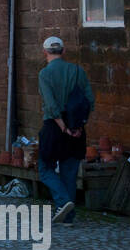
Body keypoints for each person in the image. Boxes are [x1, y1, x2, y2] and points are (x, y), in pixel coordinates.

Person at [37, 36, 94, 225]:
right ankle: (68, 217)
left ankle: (63, 202)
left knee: (45, 168)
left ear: (45, 52)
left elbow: (51, 106)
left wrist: (64, 128)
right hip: (77, 128)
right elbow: (89, 101)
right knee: (69, 171)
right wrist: (77, 127)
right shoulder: (78, 71)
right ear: (63, 51)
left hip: (54, 128)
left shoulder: (45, 74)